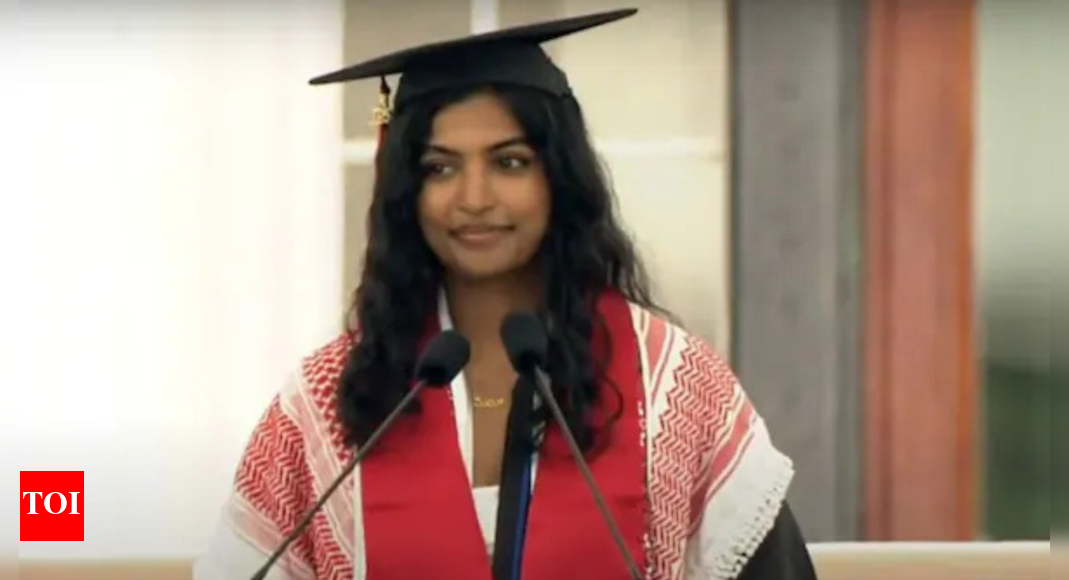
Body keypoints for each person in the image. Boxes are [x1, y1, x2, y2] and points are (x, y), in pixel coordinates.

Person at [194, 8, 818, 580]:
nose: (473, 198)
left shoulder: (675, 384)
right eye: (440, 167)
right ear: (406, 189)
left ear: (558, 177)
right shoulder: (330, 400)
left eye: (509, 162)